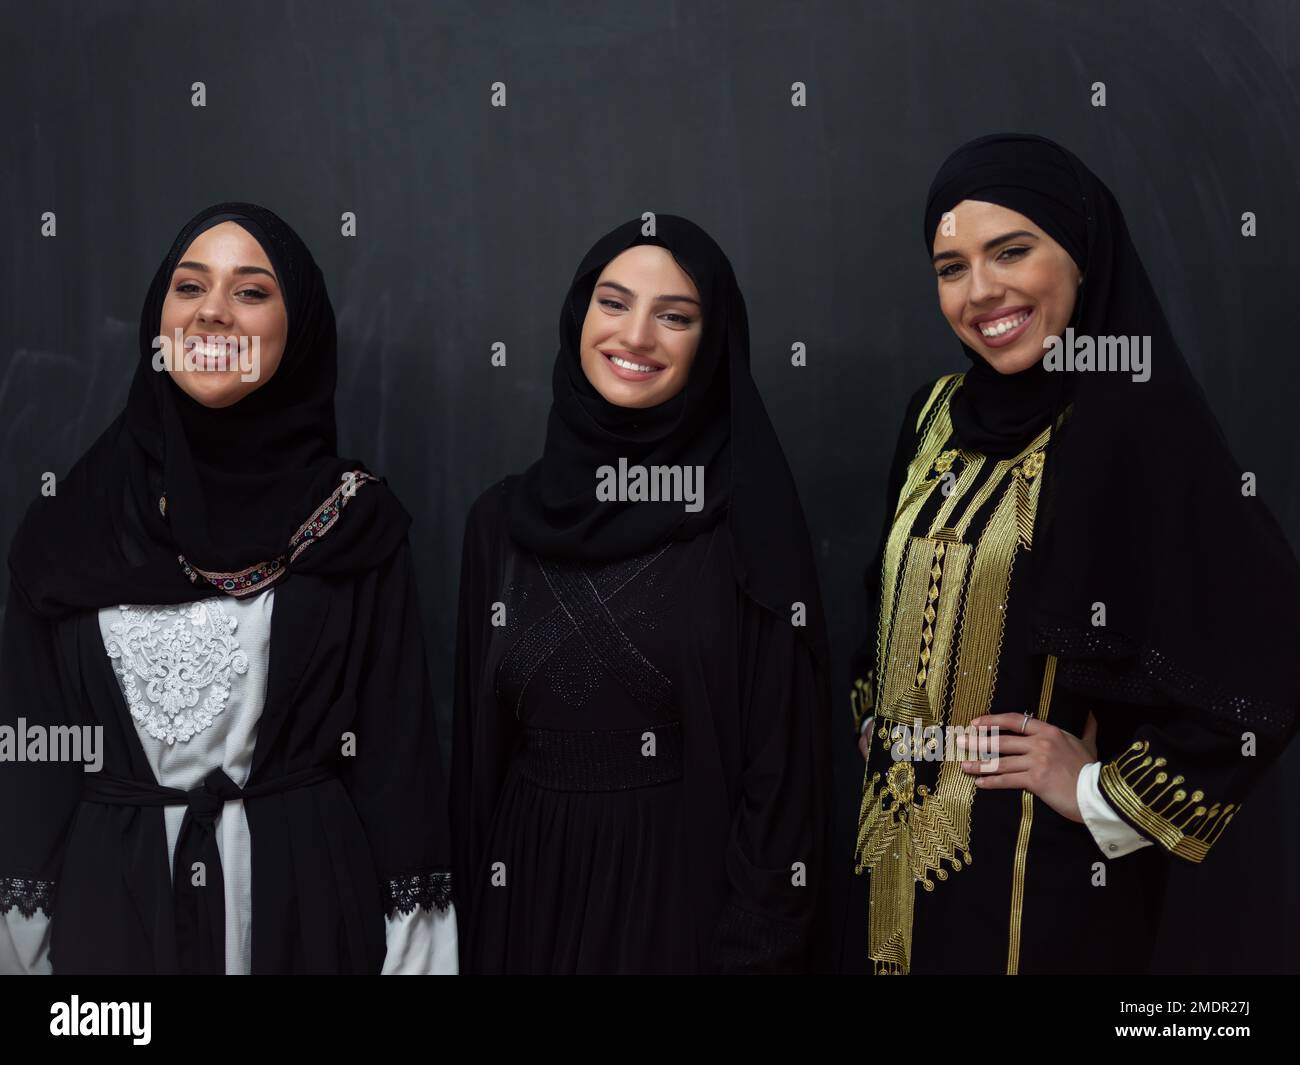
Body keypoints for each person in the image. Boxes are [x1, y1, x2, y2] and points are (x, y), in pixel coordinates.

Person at [845, 134, 1300, 975]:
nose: (981, 291)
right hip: (895, 863)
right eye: (951, 267)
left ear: (1083, 257)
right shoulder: (933, 415)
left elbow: (1266, 642)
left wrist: (1097, 791)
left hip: (1040, 885)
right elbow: (890, 597)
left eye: (1011, 251)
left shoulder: (1134, 425)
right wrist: (883, 717)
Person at [0, 203, 456, 974]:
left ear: (298, 327)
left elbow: (397, 764)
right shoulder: (70, 526)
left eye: (251, 291)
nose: (213, 310)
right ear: (158, 319)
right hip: (112, 924)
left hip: (307, 917)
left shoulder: (352, 522)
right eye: (189, 287)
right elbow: (31, 768)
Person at [451, 214, 831, 973]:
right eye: (613, 303)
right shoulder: (499, 522)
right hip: (524, 898)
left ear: (711, 341)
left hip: (682, 907)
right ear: (578, 318)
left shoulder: (742, 520)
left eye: (675, 316)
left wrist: (755, 950)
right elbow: (473, 762)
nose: (637, 335)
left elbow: (784, 774)